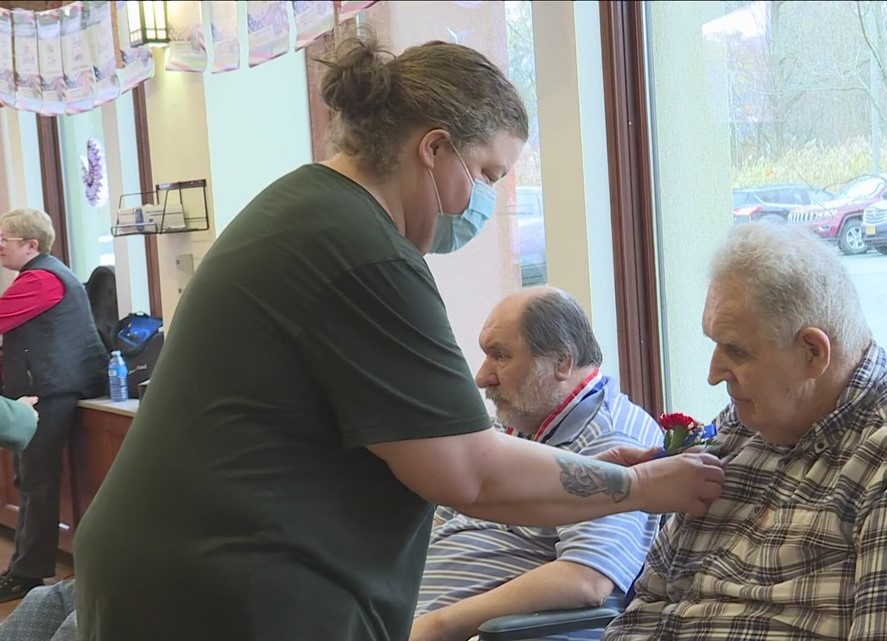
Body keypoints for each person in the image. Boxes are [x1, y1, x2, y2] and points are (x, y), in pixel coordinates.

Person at [72, 35, 724, 641]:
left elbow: (443, 449)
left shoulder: (308, 207)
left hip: (178, 571)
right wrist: (641, 489)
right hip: (232, 594)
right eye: (488, 174)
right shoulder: (366, 253)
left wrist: (602, 470)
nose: (487, 197)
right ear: (433, 148)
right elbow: (466, 471)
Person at [602, 221, 887, 641]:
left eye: (736, 350)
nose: (714, 374)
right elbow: (650, 603)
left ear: (813, 352)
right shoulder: (744, 428)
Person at [414, 288, 662, 641]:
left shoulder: (612, 439)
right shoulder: (518, 423)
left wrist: (435, 626)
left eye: (500, 356)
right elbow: (443, 518)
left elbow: (587, 579)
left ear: (562, 363)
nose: (482, 377)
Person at [0, 209, 106, 603]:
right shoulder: (43, 274)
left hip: (50, 392)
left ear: (31, 245)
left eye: (4, 239)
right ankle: (22, 569)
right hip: (45, 389)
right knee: (30, 481)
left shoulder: (42, 279)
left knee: (37, 482)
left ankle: (27, 574)